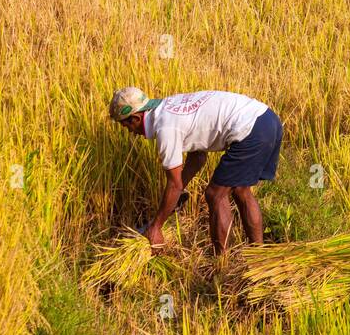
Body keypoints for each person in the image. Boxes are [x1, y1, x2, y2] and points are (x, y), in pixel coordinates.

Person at [108, 86, 283, 254]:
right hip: (267, 119)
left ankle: (221, 262)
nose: (131, 132)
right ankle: (259, 254)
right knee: (240, 190)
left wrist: (156, 227)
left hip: (250, 129)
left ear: (136, 118)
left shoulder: (165, 127)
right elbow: (198, 157)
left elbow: (174, 184)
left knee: (215, 194)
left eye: (126, 126)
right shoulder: (169, 107)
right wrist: (179, 191)